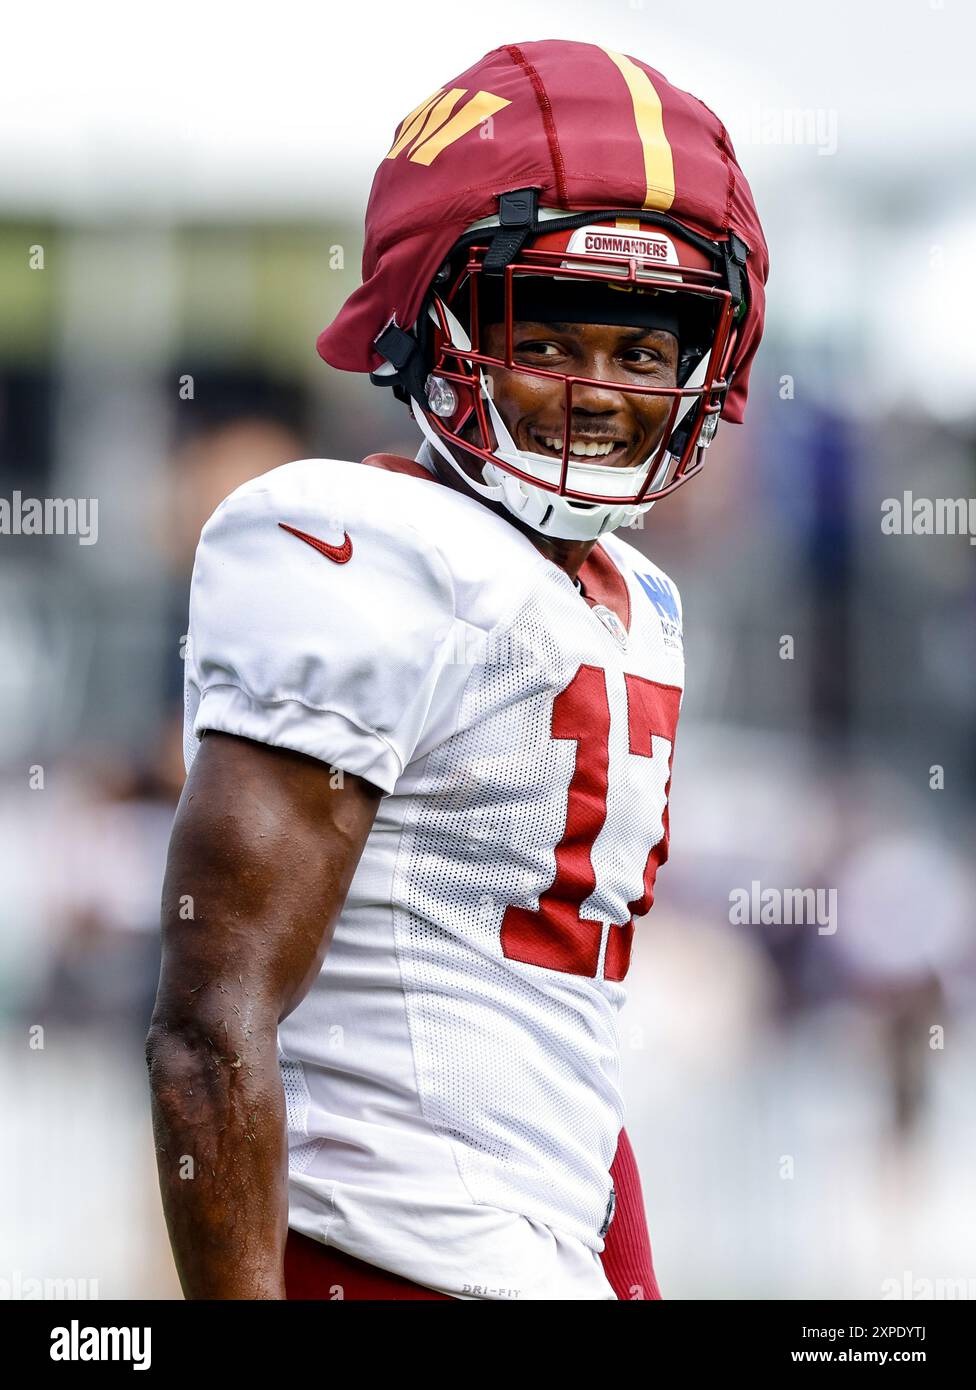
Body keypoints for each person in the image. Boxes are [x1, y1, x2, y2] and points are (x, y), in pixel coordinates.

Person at [147, 38, 768, 1300]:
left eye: (644, 351)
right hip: (369, 1257)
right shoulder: (350, 544)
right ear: (427, 324)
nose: (598, 391)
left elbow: (562, 1033)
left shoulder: (634, 599)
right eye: (547, 336)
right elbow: (212, 1024)